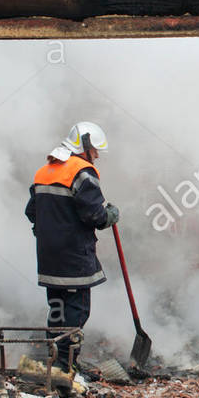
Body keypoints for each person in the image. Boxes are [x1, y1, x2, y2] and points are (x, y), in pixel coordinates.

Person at [25, 121, 119, 376]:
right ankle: (67, 367)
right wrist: (109, 215)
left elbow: (31, 211)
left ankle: (55, 363)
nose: (97, 156)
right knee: (76, 312)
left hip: (48, 259)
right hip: (74, 259)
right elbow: (94, 217)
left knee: (57, 311)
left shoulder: (44, 171)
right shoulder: (82, 173)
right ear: (85, 146)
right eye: (96, 150)